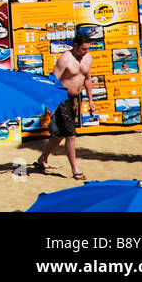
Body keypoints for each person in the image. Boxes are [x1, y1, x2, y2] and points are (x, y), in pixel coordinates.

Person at [33, 35, 95, 179]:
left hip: (76, 99)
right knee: (70, 134)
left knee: (61, 133)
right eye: (83, 49)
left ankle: (43, 158)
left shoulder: (88, 58)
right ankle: (75, 170)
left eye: (87, 49)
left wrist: (90, 99)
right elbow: (53, 82)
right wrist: (50, 104)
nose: (86, 52)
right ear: (75, 46)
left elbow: (87, 79)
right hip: (62, 99)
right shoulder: (65, 59)